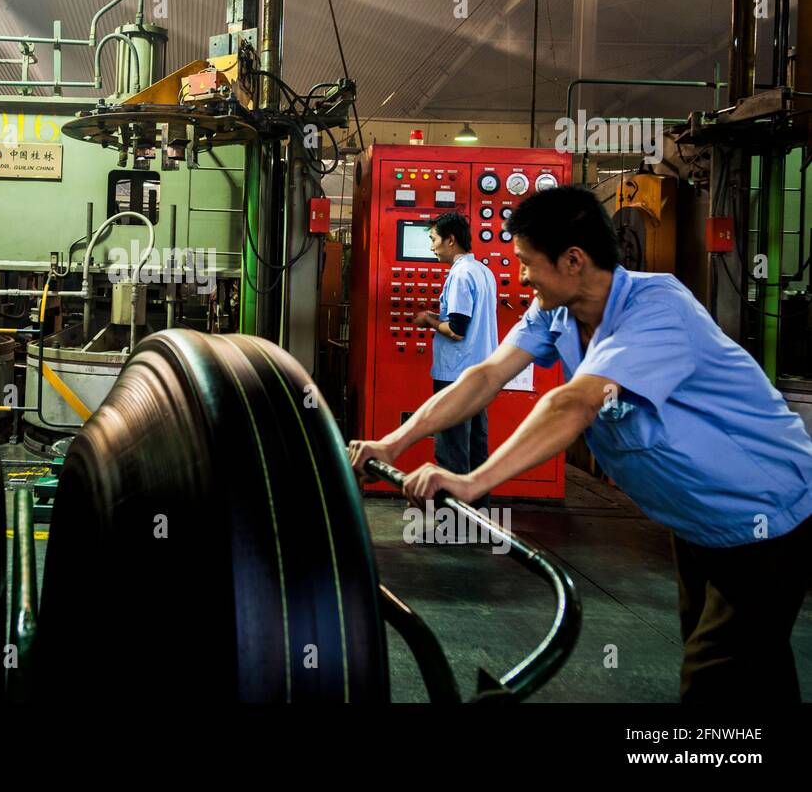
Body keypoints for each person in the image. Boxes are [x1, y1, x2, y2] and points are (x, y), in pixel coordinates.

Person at [348, 185, 812, 702]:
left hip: (765, 518)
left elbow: (574, 404)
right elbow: (485, 376)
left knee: (717, 677)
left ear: (573, 260)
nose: (521, 276)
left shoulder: (658, 308)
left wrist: (471, 480)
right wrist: (394, 443)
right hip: (697, 520)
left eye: (526, 262)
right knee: (756, 672)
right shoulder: (558, 312)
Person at [417, 212, 498, 498]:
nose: (431, 247)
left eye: (433, 239)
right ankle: (478, 515)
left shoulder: (461, 274)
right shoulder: (483, 271)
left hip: (455, 376)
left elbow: (457, 329)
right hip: (480, 374)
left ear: (451, 240)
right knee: (477, 449)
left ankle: (453, 524)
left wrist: (428, 320)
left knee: (452, 452)